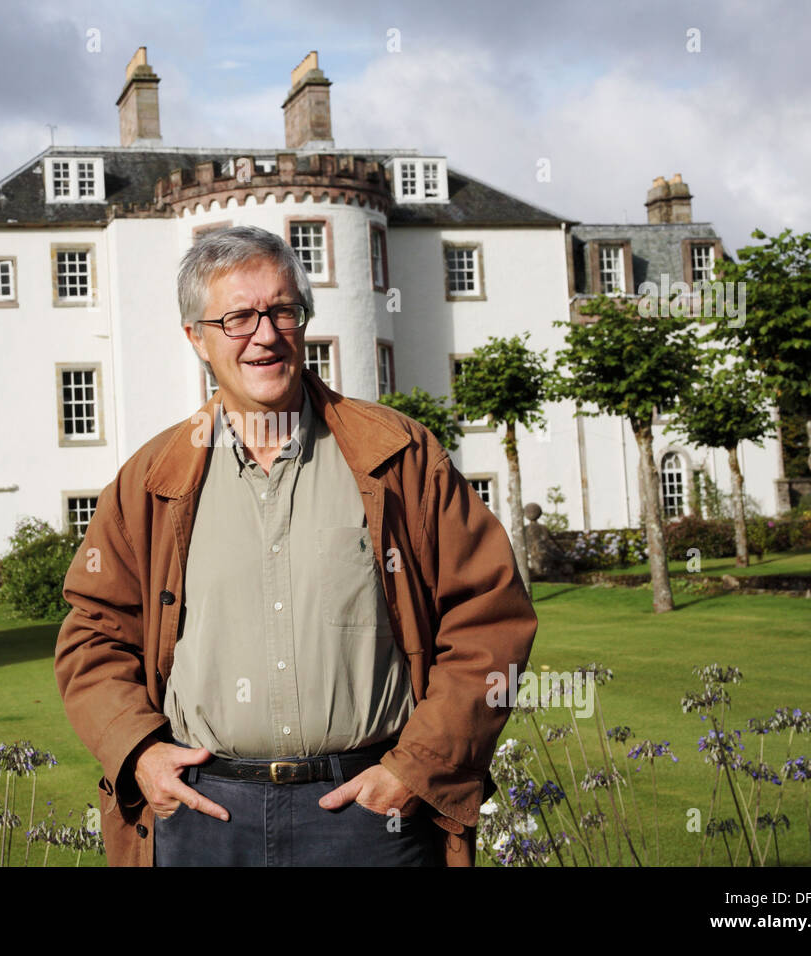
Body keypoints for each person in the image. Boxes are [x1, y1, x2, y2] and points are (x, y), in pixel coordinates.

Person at [55, 225, 537, 866]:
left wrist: (415, 768)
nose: (265, 334)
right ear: (195, 338)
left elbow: (491, 621)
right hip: (203, 818)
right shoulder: (150, 480)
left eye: (282, 310)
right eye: (238, 318)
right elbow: (93, 632)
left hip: (368, 819)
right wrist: (138, 751)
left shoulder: (400, 457)